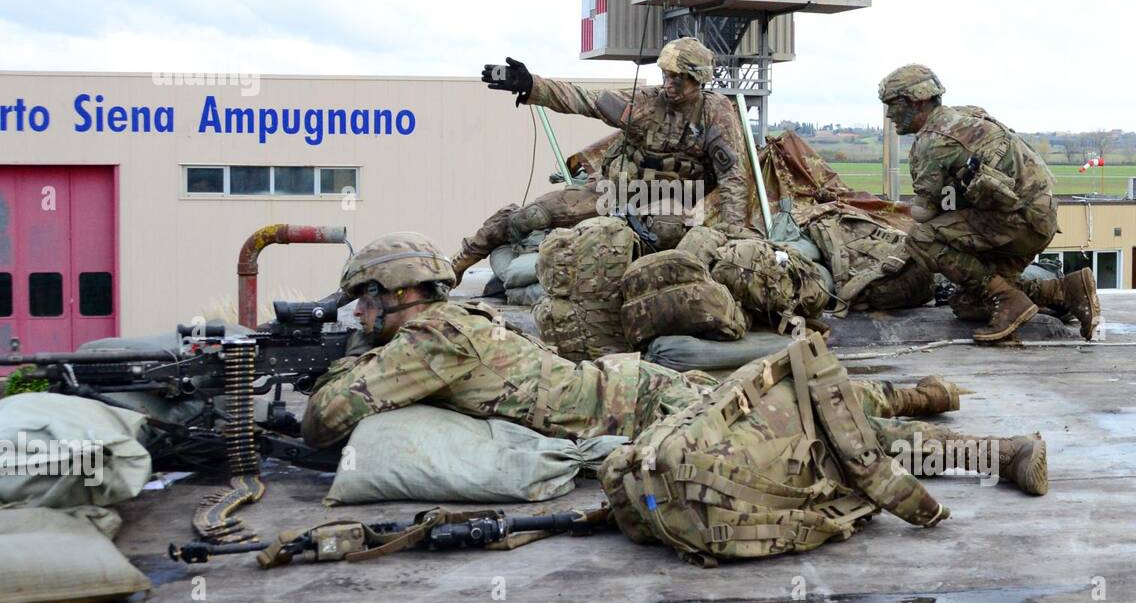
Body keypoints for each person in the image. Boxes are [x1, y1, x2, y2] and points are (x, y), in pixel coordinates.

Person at [304, 233, 1049, 501]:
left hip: (635, 411)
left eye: (365, 303)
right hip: (631, 390)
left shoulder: (432, 338)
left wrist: (338, 371)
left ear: (398, 295)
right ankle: (914, 394)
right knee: (792, 404)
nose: (360, 317)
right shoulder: (455, 320)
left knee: (807, 447)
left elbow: (324, 421)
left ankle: (996, 453)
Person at [446, 36, 755, 284]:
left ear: (697, 78)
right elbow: (585, 100)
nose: (669, 83)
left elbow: (733, 178)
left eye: (679, 77)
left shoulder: (716, 113)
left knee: (665, 231)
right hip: (614, 192)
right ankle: (460, 263)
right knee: (531, 217)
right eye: (666, 75)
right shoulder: (645, 103)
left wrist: (730, 239)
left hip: (675, 202)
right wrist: (533, 85)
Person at [878, 64, 1100, 342]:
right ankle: (1064, 290)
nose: (889, 114)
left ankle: (1008, 299)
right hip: (1038, 218)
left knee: (921, 238)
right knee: (966, 303)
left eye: (894, 105)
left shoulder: (931, 141)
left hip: (1015, 223)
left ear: (917, 101)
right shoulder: (968, 114)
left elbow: (925, 212)